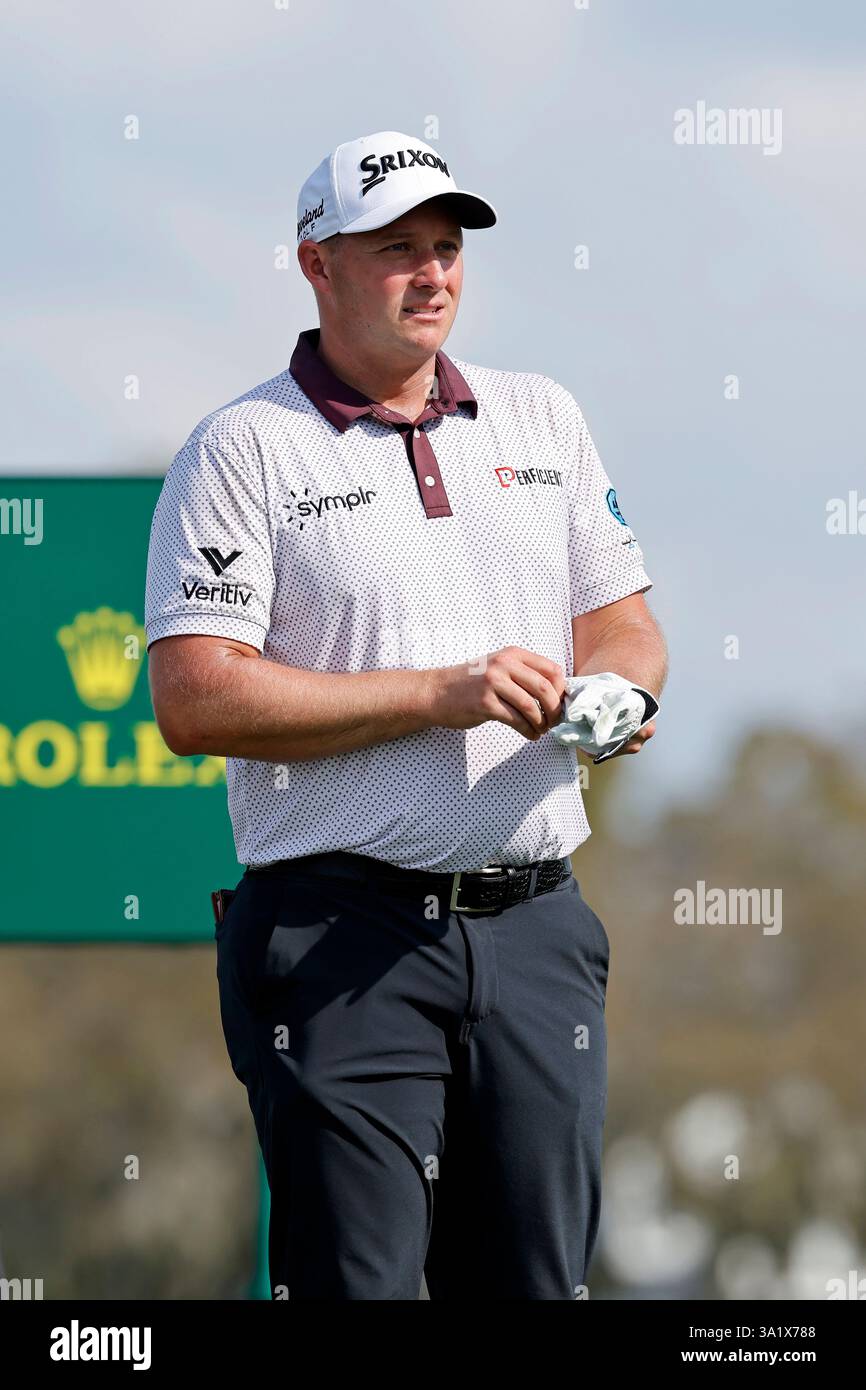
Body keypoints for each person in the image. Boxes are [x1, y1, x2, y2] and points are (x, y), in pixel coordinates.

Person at [144, 129, 668, 1300]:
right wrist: (440, 696)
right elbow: (194, 693)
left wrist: (616, 693)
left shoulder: (542, 420)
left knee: (536, 1285)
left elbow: (627, 627)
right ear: (315, 263)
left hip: (536, 933)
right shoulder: (243, 449)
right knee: (361, 1287)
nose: (431, 273)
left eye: (446, 248)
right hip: (341, 937)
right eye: (396, 250)